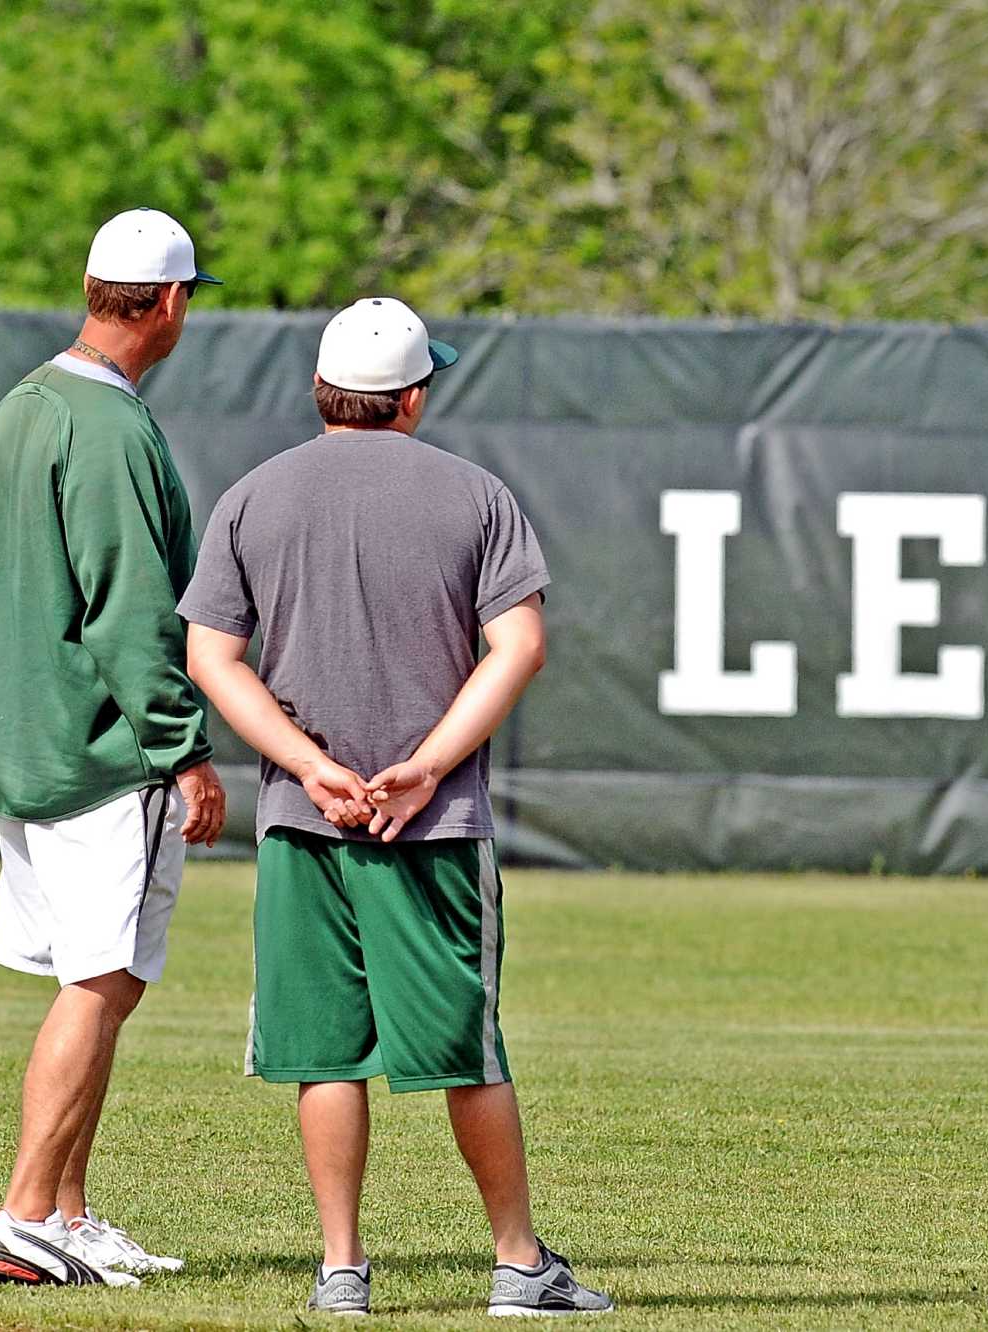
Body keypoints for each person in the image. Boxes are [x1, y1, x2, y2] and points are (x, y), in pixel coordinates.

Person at [179, 297, 611, 1317]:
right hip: (435, 826)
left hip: (303, 817)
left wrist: (305, 764)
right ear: (411, 396)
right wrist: (421, 768)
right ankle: (516, 1264)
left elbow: (210, 657)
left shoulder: (253, 495)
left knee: (325, 1054)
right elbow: (521, 646)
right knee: (465, 1049)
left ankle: (342, 1270)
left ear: (322, 389)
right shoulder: (474, 495)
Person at [0, 208, 228, 1287]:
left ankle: (66, 1214)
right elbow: (129, 611)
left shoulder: (24, 403)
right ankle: (25, 1217)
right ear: (167, 303)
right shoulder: (112, 426)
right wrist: (184, 748)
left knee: (90, 981)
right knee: (101, 980)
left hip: (28, 743)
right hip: (101, 752)